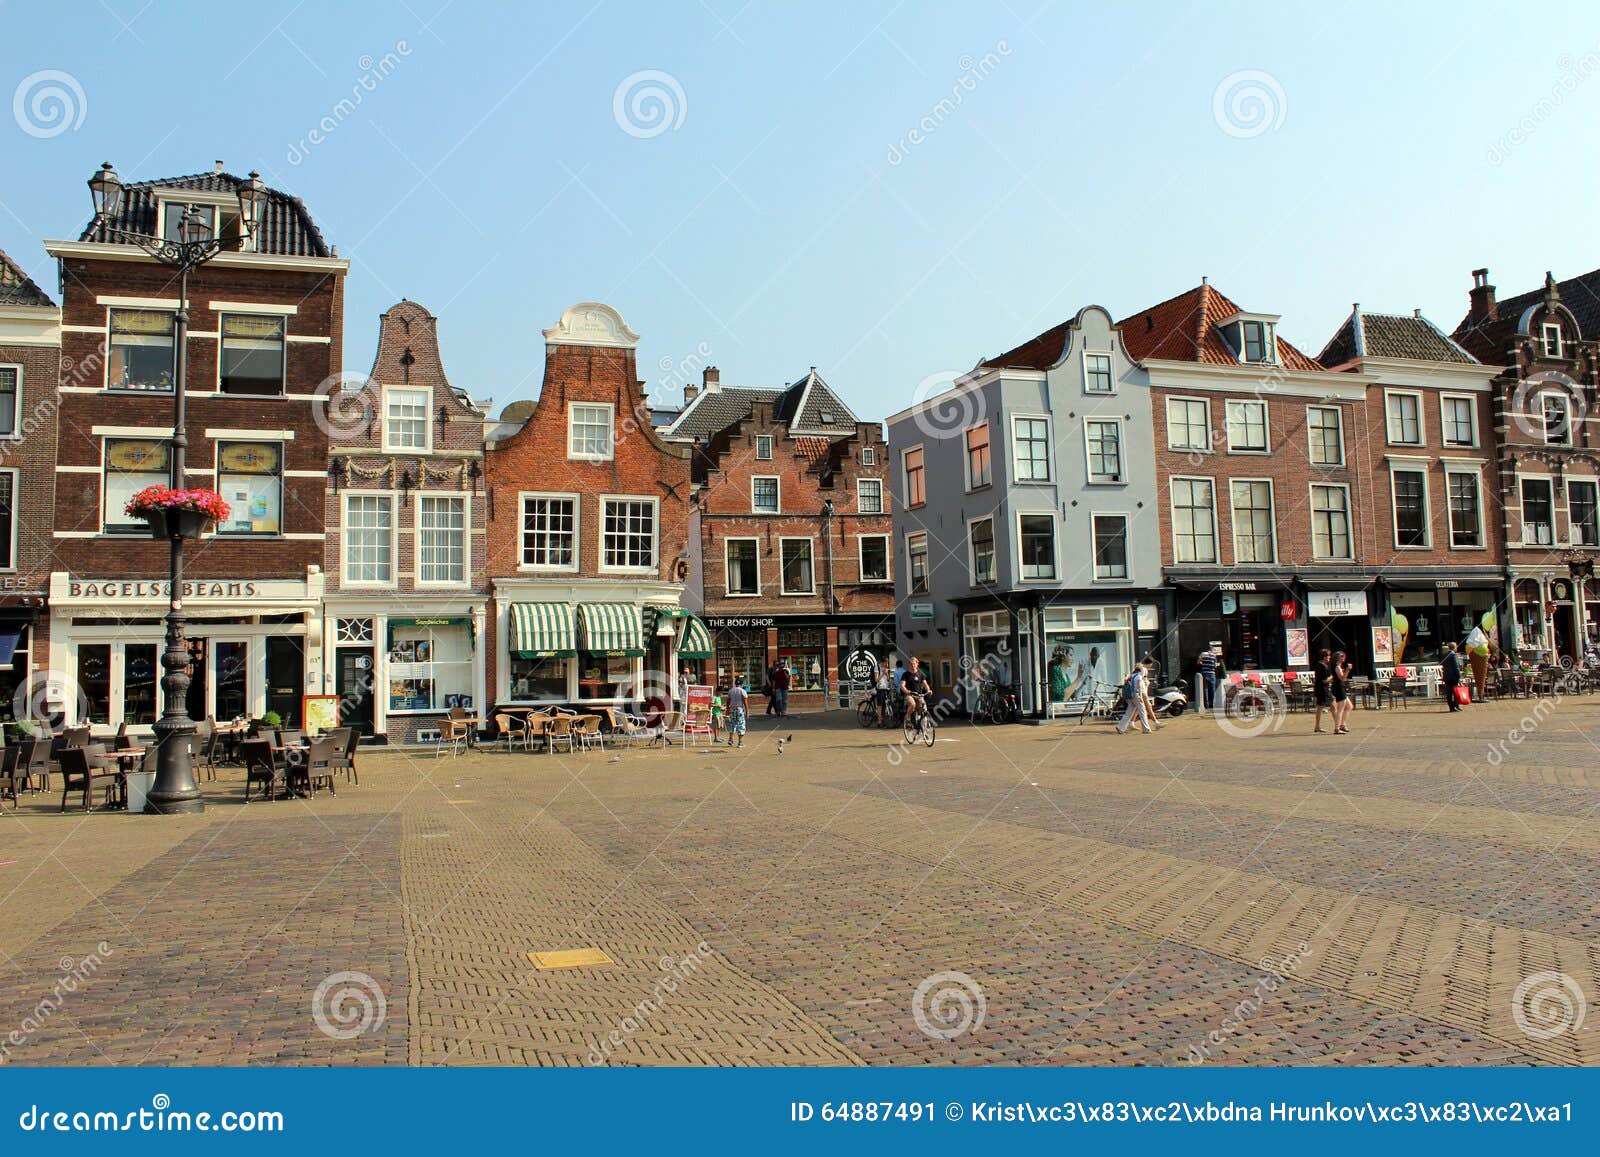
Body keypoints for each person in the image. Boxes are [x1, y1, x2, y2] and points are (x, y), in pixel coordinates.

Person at [1116, 662, 1153, 734]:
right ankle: (1146, 729)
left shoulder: (1132, 676)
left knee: (1129, 712)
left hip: (1130, 696)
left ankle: (1120, 727)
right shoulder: (1139, 677)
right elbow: (1139, 687)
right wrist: (1141, 697)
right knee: (1143, 711)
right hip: (1136, 695)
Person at [900, 657, 931, 723]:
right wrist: (907, 691)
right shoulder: (905, 674)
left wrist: (928, 690)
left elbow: (925, 684)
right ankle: (907, 717)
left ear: (917, 664)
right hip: (909, 695)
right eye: (911, 664)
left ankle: (923, 730)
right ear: (909, 665)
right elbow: (902, 685)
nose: (912, 665)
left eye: (914, 664)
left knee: (924, 710)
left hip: (919, 695)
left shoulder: (921, 674)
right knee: (912, 704)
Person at [1311, 648, 1333, 733]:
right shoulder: (1323, 667)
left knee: (1323, 707)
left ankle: (1318, 726)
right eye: (1328, 655)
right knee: (1321, 707)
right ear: (1324, 657)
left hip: (1321, 688)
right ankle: (1338, 726)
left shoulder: (1320, 665)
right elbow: (1325, 680)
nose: (1329, 657)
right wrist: (1332, 676)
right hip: (1323, 689)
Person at [1330, 650, 1351, 734]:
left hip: (1340, 687)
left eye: (1343, 656)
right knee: (1341, 708)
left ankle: (1342, 724)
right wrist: (1347, 669)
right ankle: (1337, 728)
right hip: (1338, 687)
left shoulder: (1338, 666)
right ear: (1337, 658)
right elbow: (1342, 678)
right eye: (1341, 656)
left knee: (1349, 706)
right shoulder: (1337, 667)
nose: (1343, 657)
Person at [726, 675, 748, 748]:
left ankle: (730, 739)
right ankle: (740, 742)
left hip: (732, 709)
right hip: (739, 709)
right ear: (741, 684)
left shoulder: (731, 690)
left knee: (732, 724)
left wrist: (727, 709)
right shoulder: (742, 691)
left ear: (735, 683)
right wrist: (747, 711)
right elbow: (745, 701)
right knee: (741, 725)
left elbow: (728, 701)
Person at [1442, 642, 1465, 711]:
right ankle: (1456, 705)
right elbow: (1456, 667)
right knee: (1456, 692)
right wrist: (1458, 676)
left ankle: (1451, 707)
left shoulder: (1445, 655)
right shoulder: (1453, 655)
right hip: (1453, 677)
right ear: (1455, 647)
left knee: (1449, 693)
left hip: (1447, 676)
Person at [1197, 646, 1219, 711]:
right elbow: (1215, 665)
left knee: (1205, 688)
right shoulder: (1214, 655)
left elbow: (1198, 662)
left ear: (1207, 649)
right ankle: (1212, 704)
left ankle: (1206, 704)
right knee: (1212, 689)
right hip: (1212, 673)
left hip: (1205, 673)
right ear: (1211, 650)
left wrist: (1203, 663)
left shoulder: (1203, 654)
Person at [874, 660, 893, 725]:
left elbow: (888, 680)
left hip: (886, 688)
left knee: (885, 705)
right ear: (883, 662)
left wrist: (887, 674)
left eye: (887, 663)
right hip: (880, 688)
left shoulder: (886, 669)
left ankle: (883, 718)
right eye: (886, 663)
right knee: (880, 705)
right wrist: (882, 673)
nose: (887, 664)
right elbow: (876, 680)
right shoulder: (877, 668)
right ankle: (879, 721)